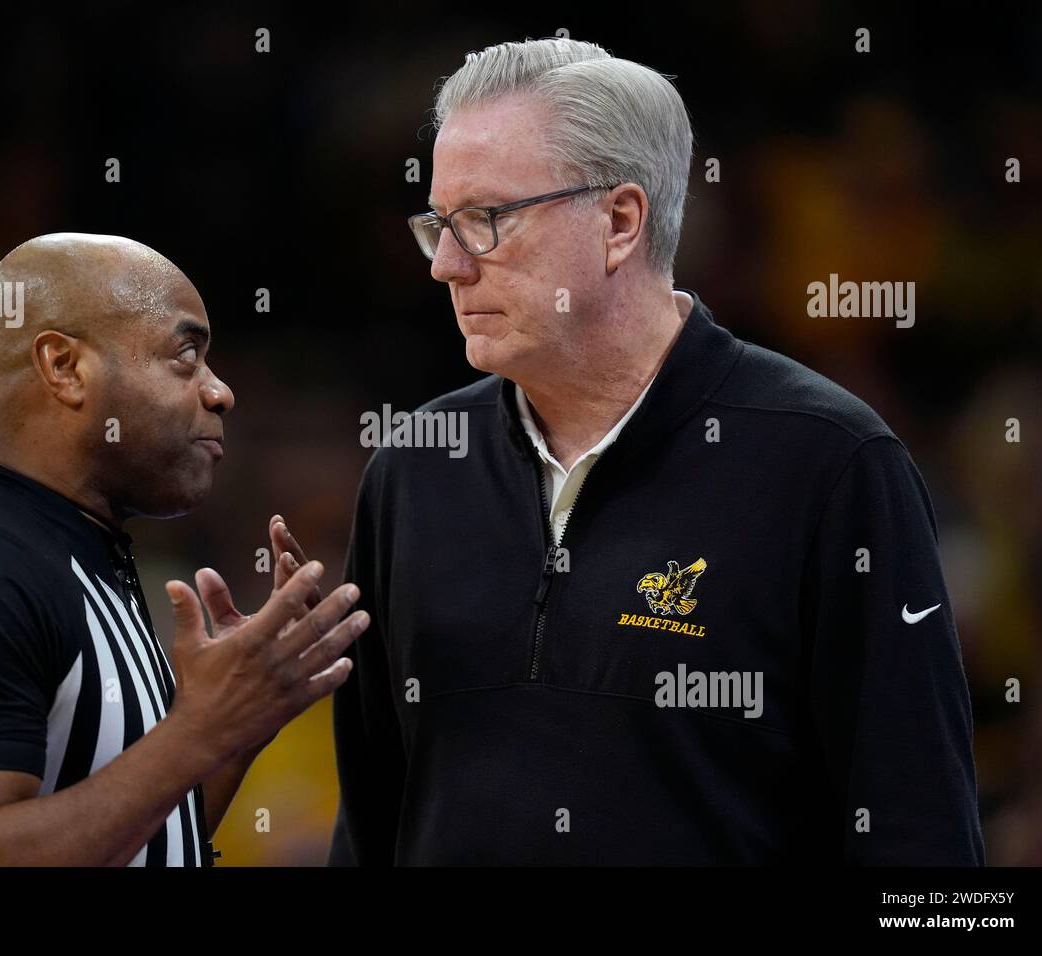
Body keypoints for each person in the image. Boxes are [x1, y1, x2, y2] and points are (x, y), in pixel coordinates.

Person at [329, 38, 983, 865]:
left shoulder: (830, 463)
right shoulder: (414, 469)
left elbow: (920, 836)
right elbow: (372, 828)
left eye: (487, 220)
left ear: (620, 221)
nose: (449, 266)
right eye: (440, 225)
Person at [0, 233, 368, 865]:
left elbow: (143, 843)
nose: (221, 392)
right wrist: (198, 732)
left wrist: (235, 729)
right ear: (64, 368)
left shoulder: (81, 558)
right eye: (185, 355)